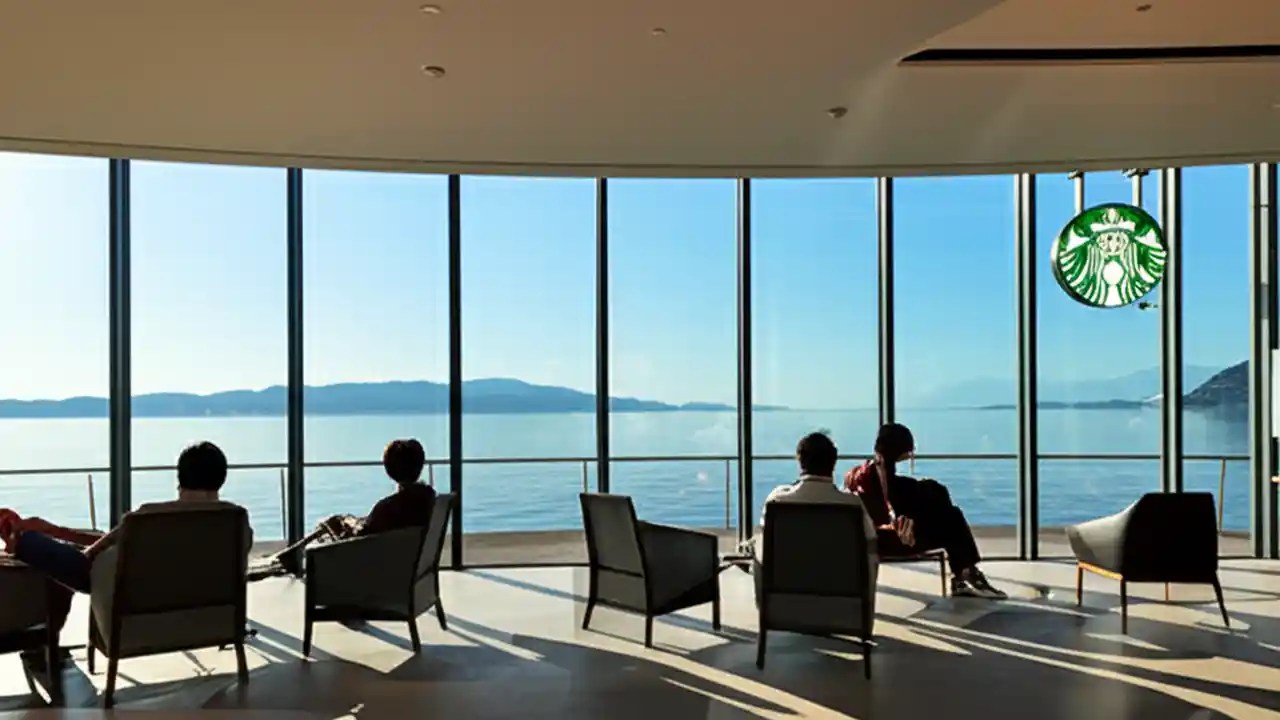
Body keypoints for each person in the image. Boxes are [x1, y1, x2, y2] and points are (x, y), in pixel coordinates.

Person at [0, 441, 253, 668]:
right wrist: (59, 533)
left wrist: (41, 536)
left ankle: (20, 539)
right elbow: (111, 543)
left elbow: (89, 558)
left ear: (180, 477)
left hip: (135, 613)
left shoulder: (147, 519)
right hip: (209, 618)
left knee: (45, 551)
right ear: (221, 478)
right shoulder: (236, 524)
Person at [843, 423, 1006, 599]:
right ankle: (965, 574)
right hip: (893, 540)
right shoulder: (894, 487)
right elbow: (900, 510)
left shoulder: (861, 476)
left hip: (871, 537)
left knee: (945, 510)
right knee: (952, 516)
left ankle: (964, 575)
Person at [275, 438, 436, 576]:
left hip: (374, 570)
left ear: (390, 470)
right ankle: (295, 552)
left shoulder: (387, 508)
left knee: (330, 523)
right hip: (406, 567)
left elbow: (361, 538)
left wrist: (348, 525)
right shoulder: (428, 499)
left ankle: (297, 554)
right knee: (339, 521)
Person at [751, 432, 875, 557]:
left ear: (800, 461)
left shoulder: (777, 500)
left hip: (789, 576)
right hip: (839, 576)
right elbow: (870, 555)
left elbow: (763, 555)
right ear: (834, 462)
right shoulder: (852, 504)